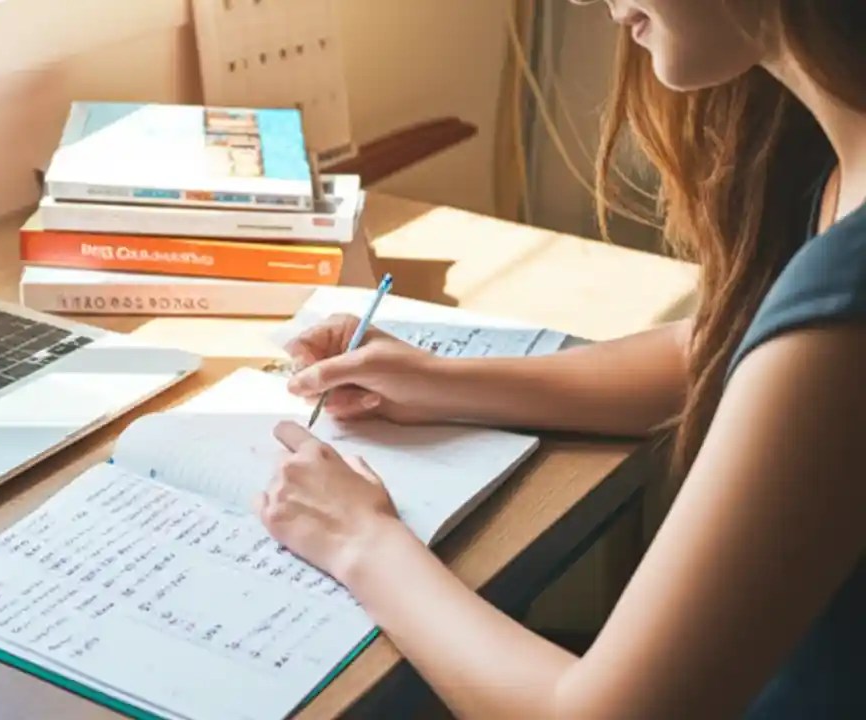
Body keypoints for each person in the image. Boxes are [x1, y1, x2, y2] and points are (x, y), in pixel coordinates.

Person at [256, 1, 866, 717]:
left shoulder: (847, 310)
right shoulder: (830, 151)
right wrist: (444, 385)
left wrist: (360, 540)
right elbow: (726, 345)